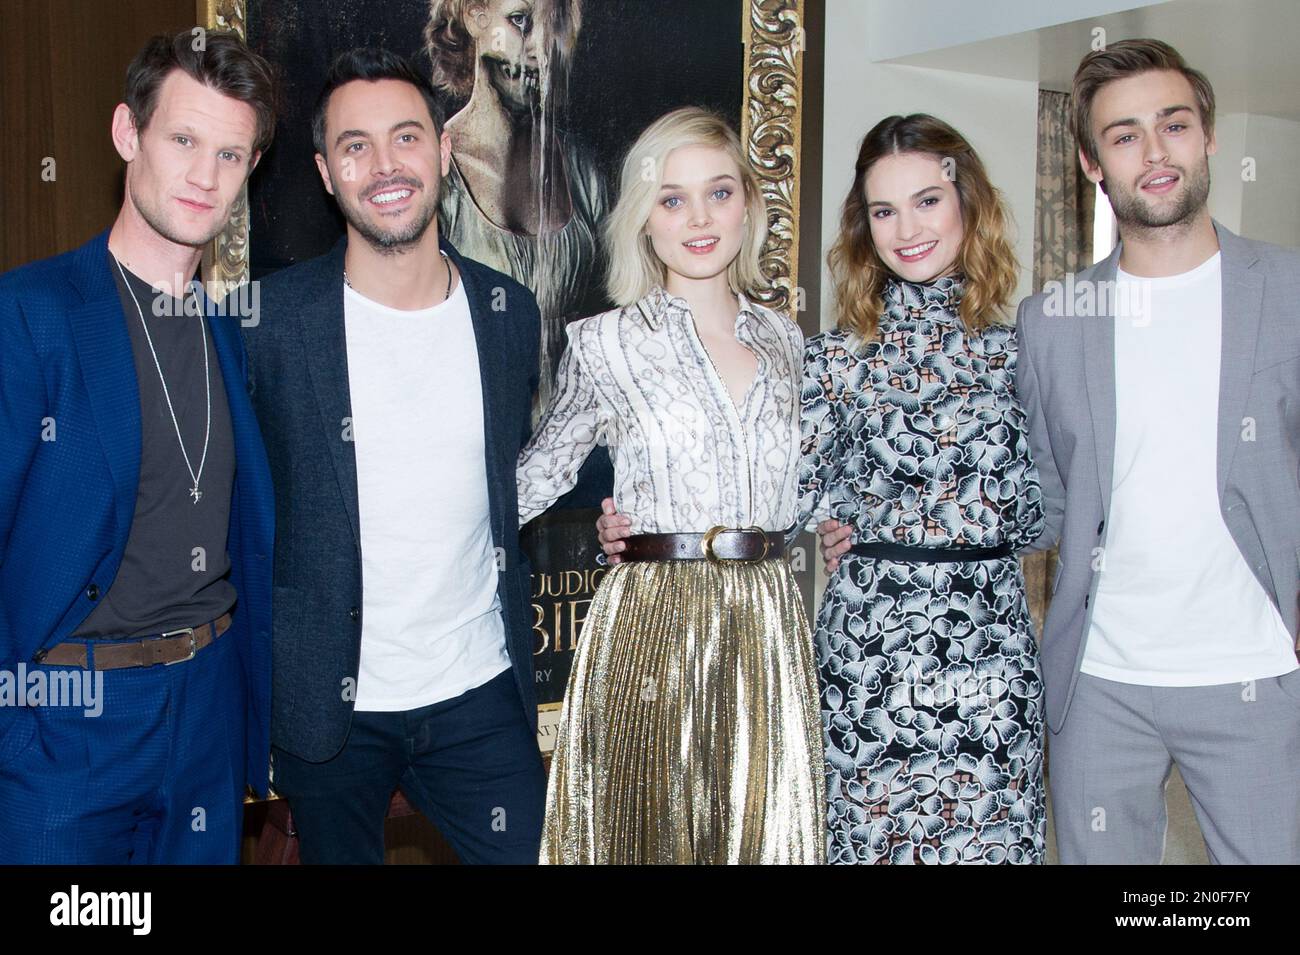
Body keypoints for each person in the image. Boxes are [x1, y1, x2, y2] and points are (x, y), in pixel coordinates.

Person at [825, 40, 1300, 865]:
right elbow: (1038, 493)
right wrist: (873, 527)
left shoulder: (1288, 292)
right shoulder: (1052, 321)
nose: (1153, 153)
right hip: (1095, 682)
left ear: (1209, 136)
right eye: (1124, 135)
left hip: (1251, 672)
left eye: (1173, 125)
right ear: (1090, 161)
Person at [610, 114, 1049, 864]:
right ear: (864, 227)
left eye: (927, 201)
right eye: (884, 210)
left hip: (991, 663)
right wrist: (642, 526)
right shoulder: (832, 362)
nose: (906, 227)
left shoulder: (1024, 353)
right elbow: (768, 498)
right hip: (866, 670)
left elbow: (1050, 507)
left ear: (967, 203)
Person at [244, 48, 546, 864]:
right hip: (332, 713)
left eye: (406, 137)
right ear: (324, 171)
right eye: (355, 146)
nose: (385, 166)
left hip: (476, 691)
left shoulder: (505, 310)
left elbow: (525, 468)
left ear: (444, 151)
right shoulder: (268, 323)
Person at [519, 106, 825, 864]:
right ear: (643, 220)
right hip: (652, 618)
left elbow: (814, 482)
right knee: (648, 836)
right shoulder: (603, 341)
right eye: (671, 197)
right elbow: (536, 478)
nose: (698, 217)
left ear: (748, 207)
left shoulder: (787, 340)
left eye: (719, 193)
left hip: (767, 613)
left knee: (761, 837)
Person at [0, 30, 277, 863]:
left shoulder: (232, 332)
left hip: (207, 710)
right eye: (184, 140)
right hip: (67, 724)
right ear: (129, 134)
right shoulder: (33, 311)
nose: (205, 175)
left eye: (232, 153)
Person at [424, 0, 606, 417]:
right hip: (471, 443)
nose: (539, 49)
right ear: (474, 16)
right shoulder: (436, 173)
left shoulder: (582, 172)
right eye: (520, 20)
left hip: (581, 456)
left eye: (553, 28)